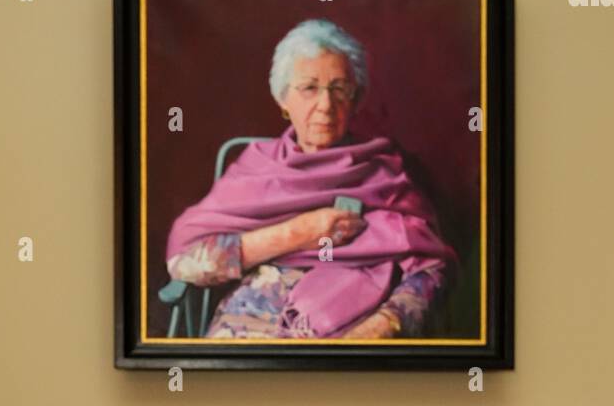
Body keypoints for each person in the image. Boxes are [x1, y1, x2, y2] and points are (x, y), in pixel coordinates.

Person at [164, 19, 458, 340]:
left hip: (362, 316)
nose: (326, 106)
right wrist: (301, 232)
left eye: (339, 89)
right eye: (309, 88)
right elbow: (185, 260)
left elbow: (432, 269)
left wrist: (385, 324)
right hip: (256, 315)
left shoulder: (383, 170)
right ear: (283, 100)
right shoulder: (257, 165)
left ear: (355, 99)